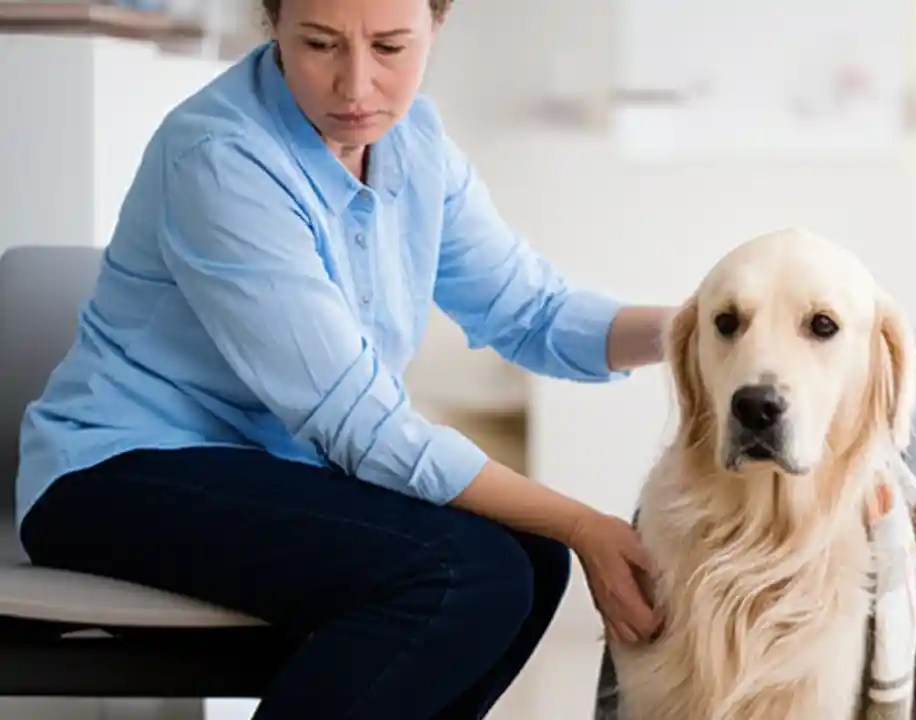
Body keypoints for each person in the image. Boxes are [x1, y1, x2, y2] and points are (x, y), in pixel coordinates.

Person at [15, 0, 669, 717]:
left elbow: (533, 311)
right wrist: (582, 522)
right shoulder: (221, 155)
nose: (356, 86)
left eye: (390, 48)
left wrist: (709, 330)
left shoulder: (416, 142)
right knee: (466, 574)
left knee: (530, 560)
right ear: (274, 27)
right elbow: (360, 423)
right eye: (321, 45)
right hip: (114, 477)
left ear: (437, 27)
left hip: (268, 474)